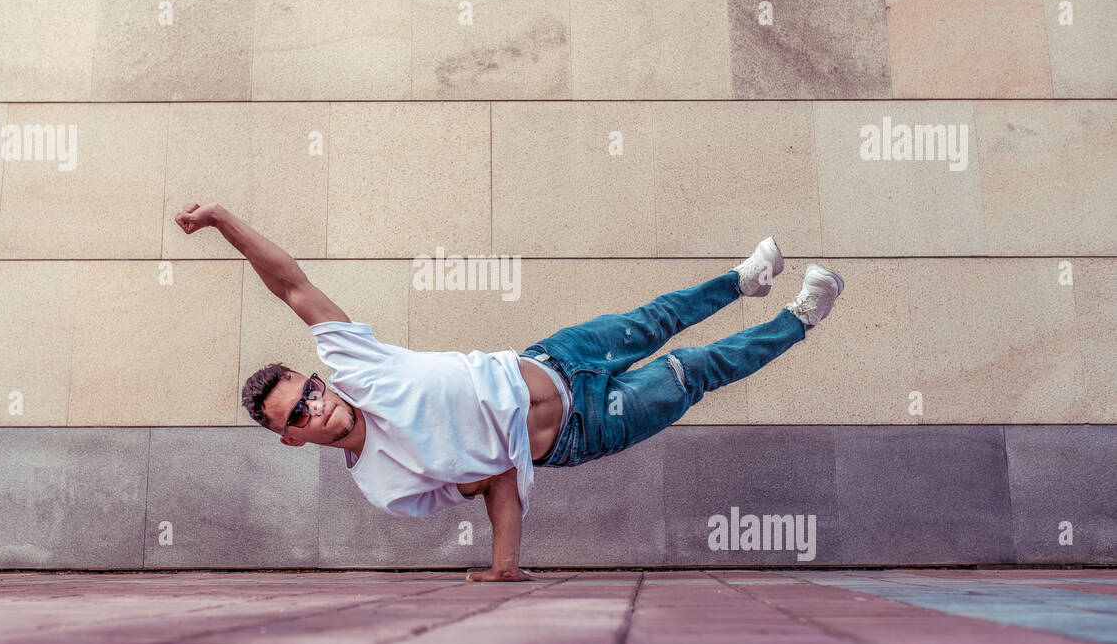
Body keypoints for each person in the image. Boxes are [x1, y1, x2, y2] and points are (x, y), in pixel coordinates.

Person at [175, 202, 844, 582]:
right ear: (294, 435)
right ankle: (801, 317)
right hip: (587, 428)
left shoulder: (355, 362)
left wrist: (223, 220)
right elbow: (492, 477)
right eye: (299, 412)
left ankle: (742, 280)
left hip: (559, 358)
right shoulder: (384, 482)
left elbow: (289, 283)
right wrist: (505, 565)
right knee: (694, 370)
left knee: (655, 318)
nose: (316, 402)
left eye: (308, 388)